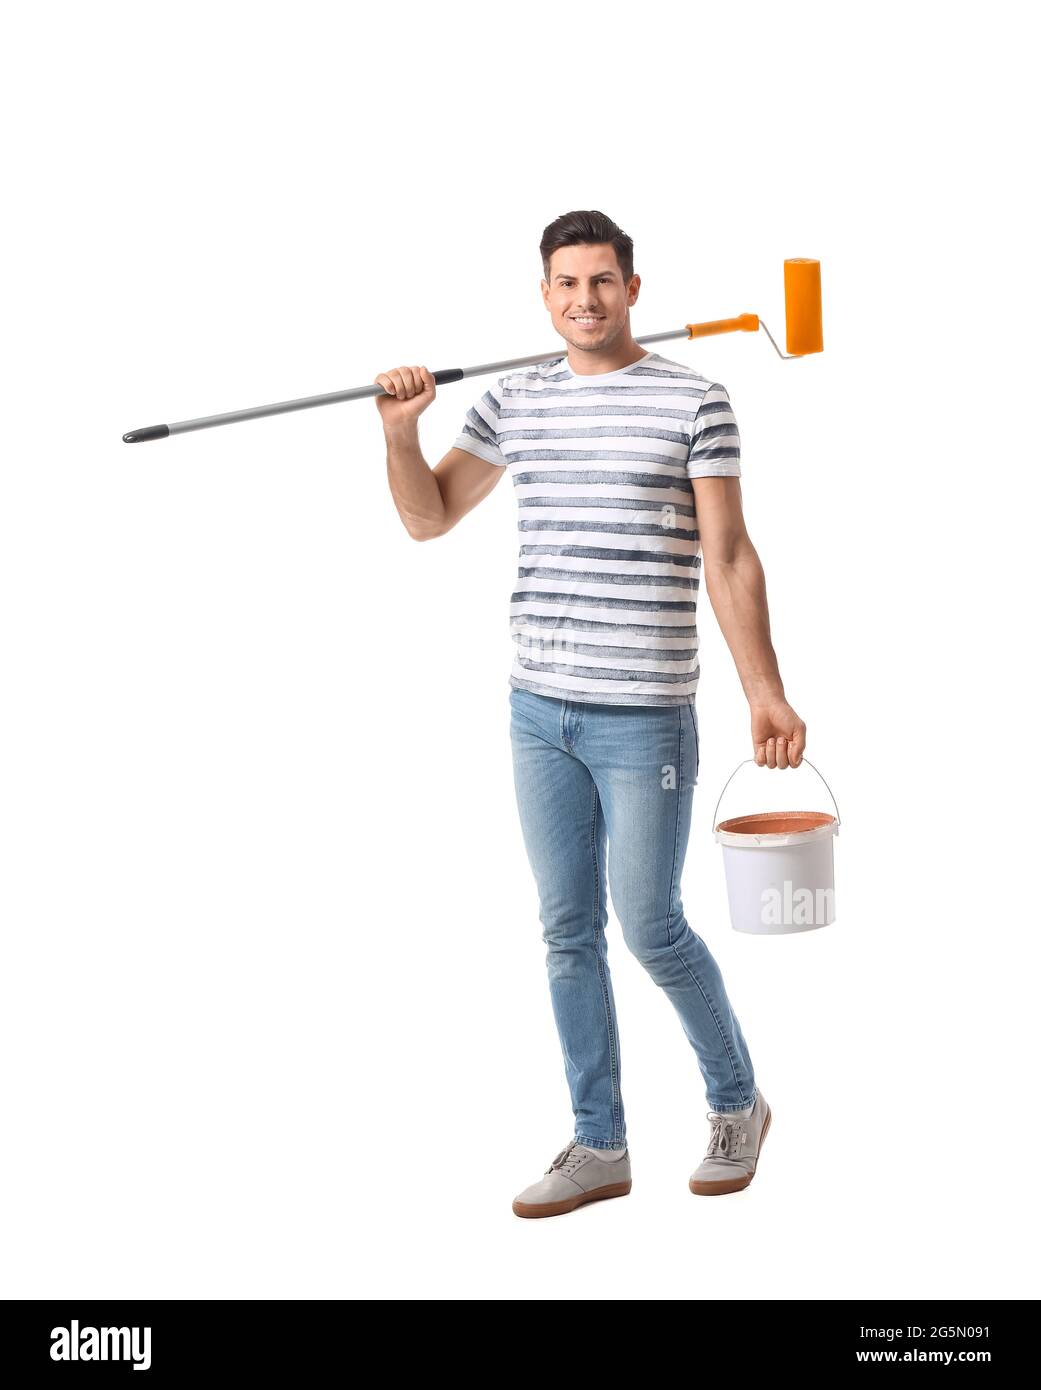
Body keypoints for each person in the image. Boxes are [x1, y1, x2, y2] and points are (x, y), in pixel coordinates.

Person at [375, 209, 807, 1219]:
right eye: (566, 284)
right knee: (567, 926)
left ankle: (738, 1102)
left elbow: (729, 554)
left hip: (643, 715)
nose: (584, 300)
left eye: (603, 281)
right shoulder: (515, 400)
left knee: (650, 922)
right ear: (544, 295)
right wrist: (403, 435)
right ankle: (600, 1142)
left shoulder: (694, 400)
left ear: (634, 289)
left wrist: (765, 689)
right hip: (538, 711)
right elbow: (428, 518)